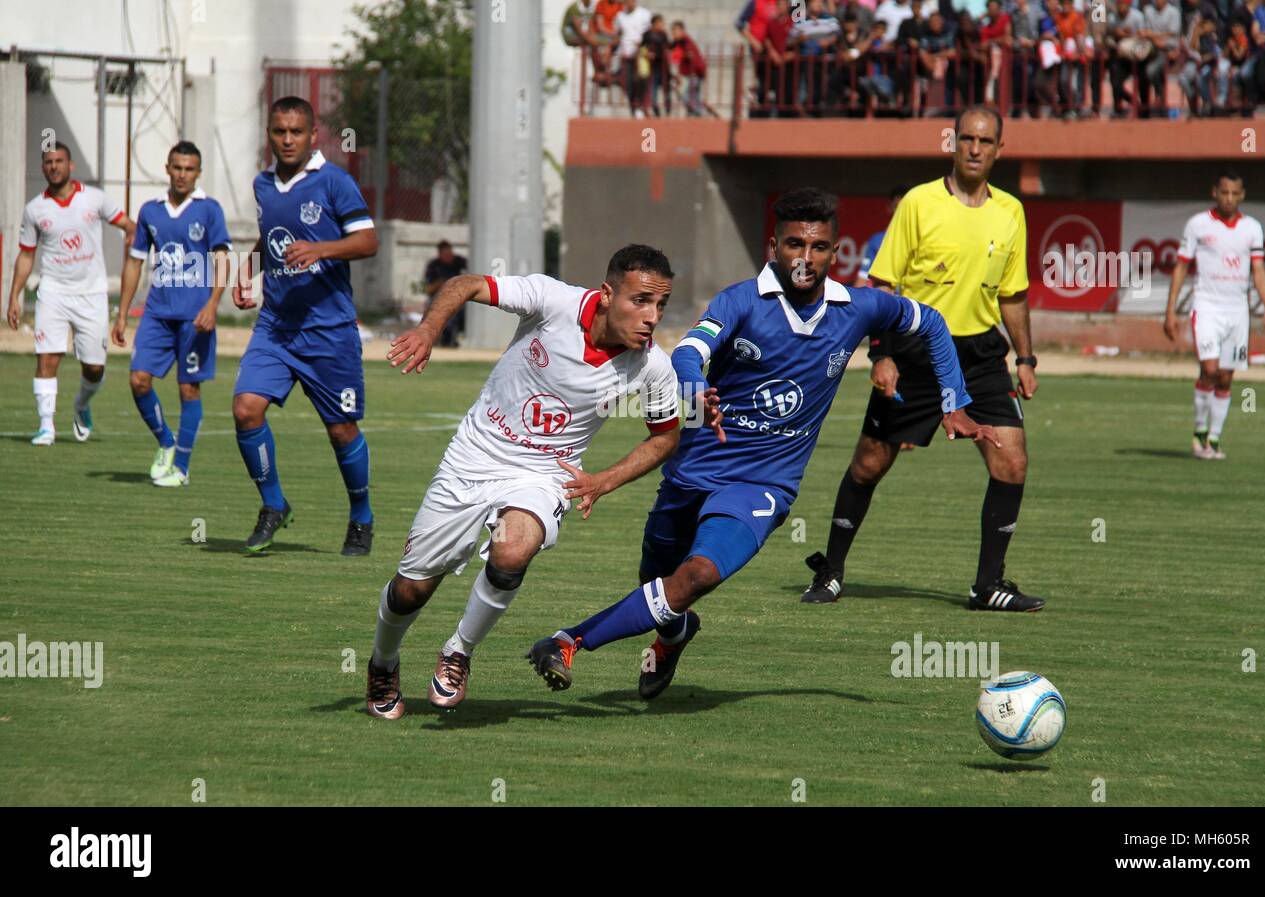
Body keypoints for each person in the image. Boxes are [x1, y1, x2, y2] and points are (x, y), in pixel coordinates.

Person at [525, 187, 995, 700]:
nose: (805, 258)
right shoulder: (741, 301)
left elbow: (930, 322)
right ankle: (673, 639)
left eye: (818, 247)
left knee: (697, 575)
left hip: (762, 485)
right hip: (691, 474)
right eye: (794, 244)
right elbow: (689, 350)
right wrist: (694, 388)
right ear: (774, 246)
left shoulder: (857, 309)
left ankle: (568, 641)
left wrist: (955, 399)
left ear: (834, 252)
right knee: (659, 585)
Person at [367, 246, 685, 716]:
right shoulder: (552, 300)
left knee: (514, 549)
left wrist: (603, 481)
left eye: (660, 305)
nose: (651, 316)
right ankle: (382, 661)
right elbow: (468, 284)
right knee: (413, 587)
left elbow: (665, 437)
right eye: (640, 301)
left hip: (542, 475)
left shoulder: (652, 367)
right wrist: (429, 329)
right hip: (472, 458)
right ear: (606, 294)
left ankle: (459, 651)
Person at [803, 106, 1045, 613]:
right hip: (916, 349)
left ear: (1000, 149)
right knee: (869, 464)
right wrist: (882, 353)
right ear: (953, 144)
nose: (975, 149)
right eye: (967, 139)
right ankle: (832, 572)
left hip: (980, 353)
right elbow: (883, 285)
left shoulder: (1012, 212)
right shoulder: (918, 203)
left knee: (1013, 460)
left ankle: (987, 586)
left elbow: (1014, 294)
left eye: (985, 141)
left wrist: (1025, 357)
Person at [230, 96, 380, 554]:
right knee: (245, 409)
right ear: (270, 134)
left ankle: (361, 516)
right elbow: (270, 234)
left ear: (313, 135)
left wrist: (322, 249)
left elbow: (368, 241)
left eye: (297, 132)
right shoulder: (263, 185)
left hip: (329, 331)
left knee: (341, 431)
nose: (288, 139)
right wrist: (248, 268)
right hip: (276, 326)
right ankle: (274, 505)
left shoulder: (335, 182)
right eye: (279, 132)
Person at [112, 141, 231, 486]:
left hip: (195, 317)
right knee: (138, 380)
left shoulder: (209, 210)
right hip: (156, 314)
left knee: (189, 390)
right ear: (167, 169)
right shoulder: (151, 211)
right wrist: (122, 315)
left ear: (198, 173)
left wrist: (212, 304)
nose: (182, 174)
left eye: (189, 169)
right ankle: (165, 441)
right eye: (177, 167)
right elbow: (134, 263)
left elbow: (222, 259)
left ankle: (181, 467)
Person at [7, 141, 135, 446]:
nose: (54, 166)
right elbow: (26, 255)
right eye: (48, 162)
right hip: (53, 292)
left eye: (59, 161)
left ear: (71, 165)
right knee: (47, 358)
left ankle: (81, 404)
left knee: (94, 366)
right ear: (43, 168)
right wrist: (13, 295)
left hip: (91, 293)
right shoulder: (35, 209)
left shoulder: (95, 199)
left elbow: (128, 225)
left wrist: (135, 240)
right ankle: (46, 426)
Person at [1162, 171, 1265, 460]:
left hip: (1238, 311)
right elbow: (1181, 266)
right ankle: (1199, 432)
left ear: (1242, 195)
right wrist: (1170, 309)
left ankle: (1214, 438)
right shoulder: (1198, 224)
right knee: (1210, 370)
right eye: (1224, 192)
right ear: (1215, 192)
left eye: (1235, 193)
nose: (1229, 198)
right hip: (1207, 306)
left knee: (1225, 378)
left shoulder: (1252, 228)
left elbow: (1258, 270)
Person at [423, 239, 468, 346]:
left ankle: (453, 339)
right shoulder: (434, 266)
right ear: (440, 254)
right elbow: (428, 289)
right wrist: (441, 283)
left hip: (460, 298)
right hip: (438, 297)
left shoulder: (460, 262)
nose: (449, 256)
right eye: (445, 254)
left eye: (450, 253)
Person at [614, 0, 654, 116]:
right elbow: (618, 34)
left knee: (642, 78)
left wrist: (644, 47)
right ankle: (634, 106)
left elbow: (649, 34)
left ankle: (641, 105)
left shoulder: (644, 14)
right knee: (627, 82)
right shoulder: (620, 16)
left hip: (642, 53)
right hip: (626, 53)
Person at [670, 19, 709, 116]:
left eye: (676, 30)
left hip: (694, 73)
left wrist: (683, 55)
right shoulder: (680, 42)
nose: (674, 33)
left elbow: (689, 55)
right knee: (694, 97)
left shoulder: (685, 41)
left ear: (682, 31)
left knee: (686, 97)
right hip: (693, 73)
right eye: (673, 31)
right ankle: (696, 114)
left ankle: (700, 113)